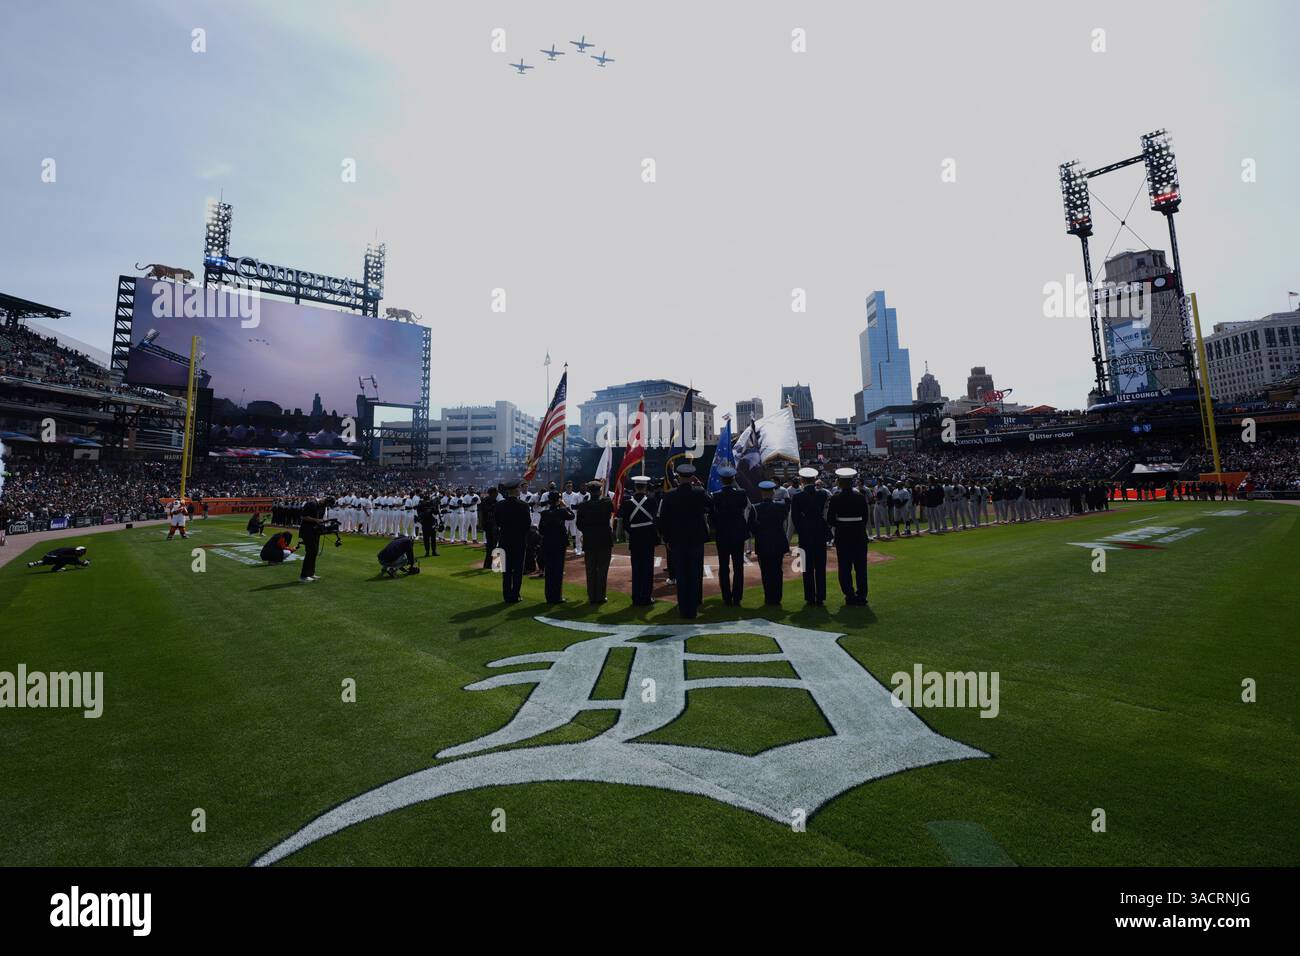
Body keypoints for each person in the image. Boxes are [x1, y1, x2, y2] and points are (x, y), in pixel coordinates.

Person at [658, 463, 710, 618]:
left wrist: (666, 538)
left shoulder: (670, 495)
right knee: (695, 573)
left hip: (677, 540)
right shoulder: (699, 492)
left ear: (678, 477)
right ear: (691, 477)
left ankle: (683, 608)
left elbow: (664, 520)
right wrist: (700, 485)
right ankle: (694, 606)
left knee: (681, 575)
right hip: (696, 539)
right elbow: (711, 504)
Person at [826, 467, 869, 606]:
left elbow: (831, 519)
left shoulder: (836, 497)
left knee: (844, 567)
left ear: (840, 482)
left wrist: (841, 523)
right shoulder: (860, 496)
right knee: (861, 567)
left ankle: (849, 595)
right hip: (859, 534)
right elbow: (865, 517)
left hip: (843, 535)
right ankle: (862, 595)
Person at [710, 465, 750, 607]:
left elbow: (712, 516)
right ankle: (737, 597)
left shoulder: (716, 495)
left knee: (724, 566)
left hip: (723, 534)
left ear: (721, 479)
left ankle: (726, 597)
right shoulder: (741, 494)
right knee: (738, 566)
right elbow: (744, 508)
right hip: (738, 533)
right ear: (733, 479)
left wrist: (717, 527)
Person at [790, 466, 830, 605]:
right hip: (820, 534)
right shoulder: (822, 494)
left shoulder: (797, 496)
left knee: (806, 568)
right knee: (820, 567)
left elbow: (795, 518)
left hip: (806, 535)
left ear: (801, 480)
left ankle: (810, 597)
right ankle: (821, 597)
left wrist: (803, 531)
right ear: (814, 479)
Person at [620, 475, 659, 606]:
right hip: (648, 539)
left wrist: (634, 532)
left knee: (636, 568)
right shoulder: (652, 501)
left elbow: (625, 524)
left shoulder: (627, 503)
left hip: (635, 539)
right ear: (646, 487)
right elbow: (655, 520)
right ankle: (646, 597)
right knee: (648, 568)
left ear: (635, 487)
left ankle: (636, 597)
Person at [749, 481, 789, 606]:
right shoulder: (781, 506)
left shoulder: (755, 507)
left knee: (766, 571)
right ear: (773, 493)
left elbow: (751, 526)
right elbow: (783, 519)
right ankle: (777, 598)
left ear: (761, 493)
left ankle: (768, 598)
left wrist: (760, 531)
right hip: (778, 540)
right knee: (777, 570)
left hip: (763, 541)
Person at [575, 480, 615, 604]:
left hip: (590, 540)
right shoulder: (607, 503)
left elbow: (579, 525)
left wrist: (588, 531)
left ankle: (592, 596)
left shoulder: (582, 506)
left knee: (591, 568)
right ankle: (600, 596)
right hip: (604, 539)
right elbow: (610, 515)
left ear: (589, 491)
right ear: (600, 491)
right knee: (603, 569)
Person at [494, 479, 531, 603]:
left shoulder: (499, 505)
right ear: (516, 490)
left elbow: (497, 522)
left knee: (506, 570)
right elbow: (527, 524)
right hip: (519, 541)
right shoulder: (524, 505)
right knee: (518, 570)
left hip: (504, 540)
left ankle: (506, 595)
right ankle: (515, 594)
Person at [538, 491, 573, 603]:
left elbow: (541, 530)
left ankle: (549, 596)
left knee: (549, 570)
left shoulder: (544, 513)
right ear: (558, 500)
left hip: (548, 543)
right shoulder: (562, 511)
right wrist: (565, 506)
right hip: (559, 544)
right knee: (557, 570)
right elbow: (572, 516)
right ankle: (557, 597)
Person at [297, 498, 326, 582]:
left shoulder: (322, 507)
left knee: (314, 552)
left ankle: (311, 573)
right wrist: (317, 520)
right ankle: (303, 575)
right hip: (307, 530)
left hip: (315, 531)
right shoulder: (311, 504)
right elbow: (304, 517)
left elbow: (319, 519)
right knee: (310, 552)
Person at [479, 488, 498, 569]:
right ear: (492, 493)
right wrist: (481, 523)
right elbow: (482, 512)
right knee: (491, 545)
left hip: (494, 524)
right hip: (489, 525)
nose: (497, 494)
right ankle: (488, 564)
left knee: (494, 545)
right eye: (496, 492)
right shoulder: (486, 501)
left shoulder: (496, 501)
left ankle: (490, 563)